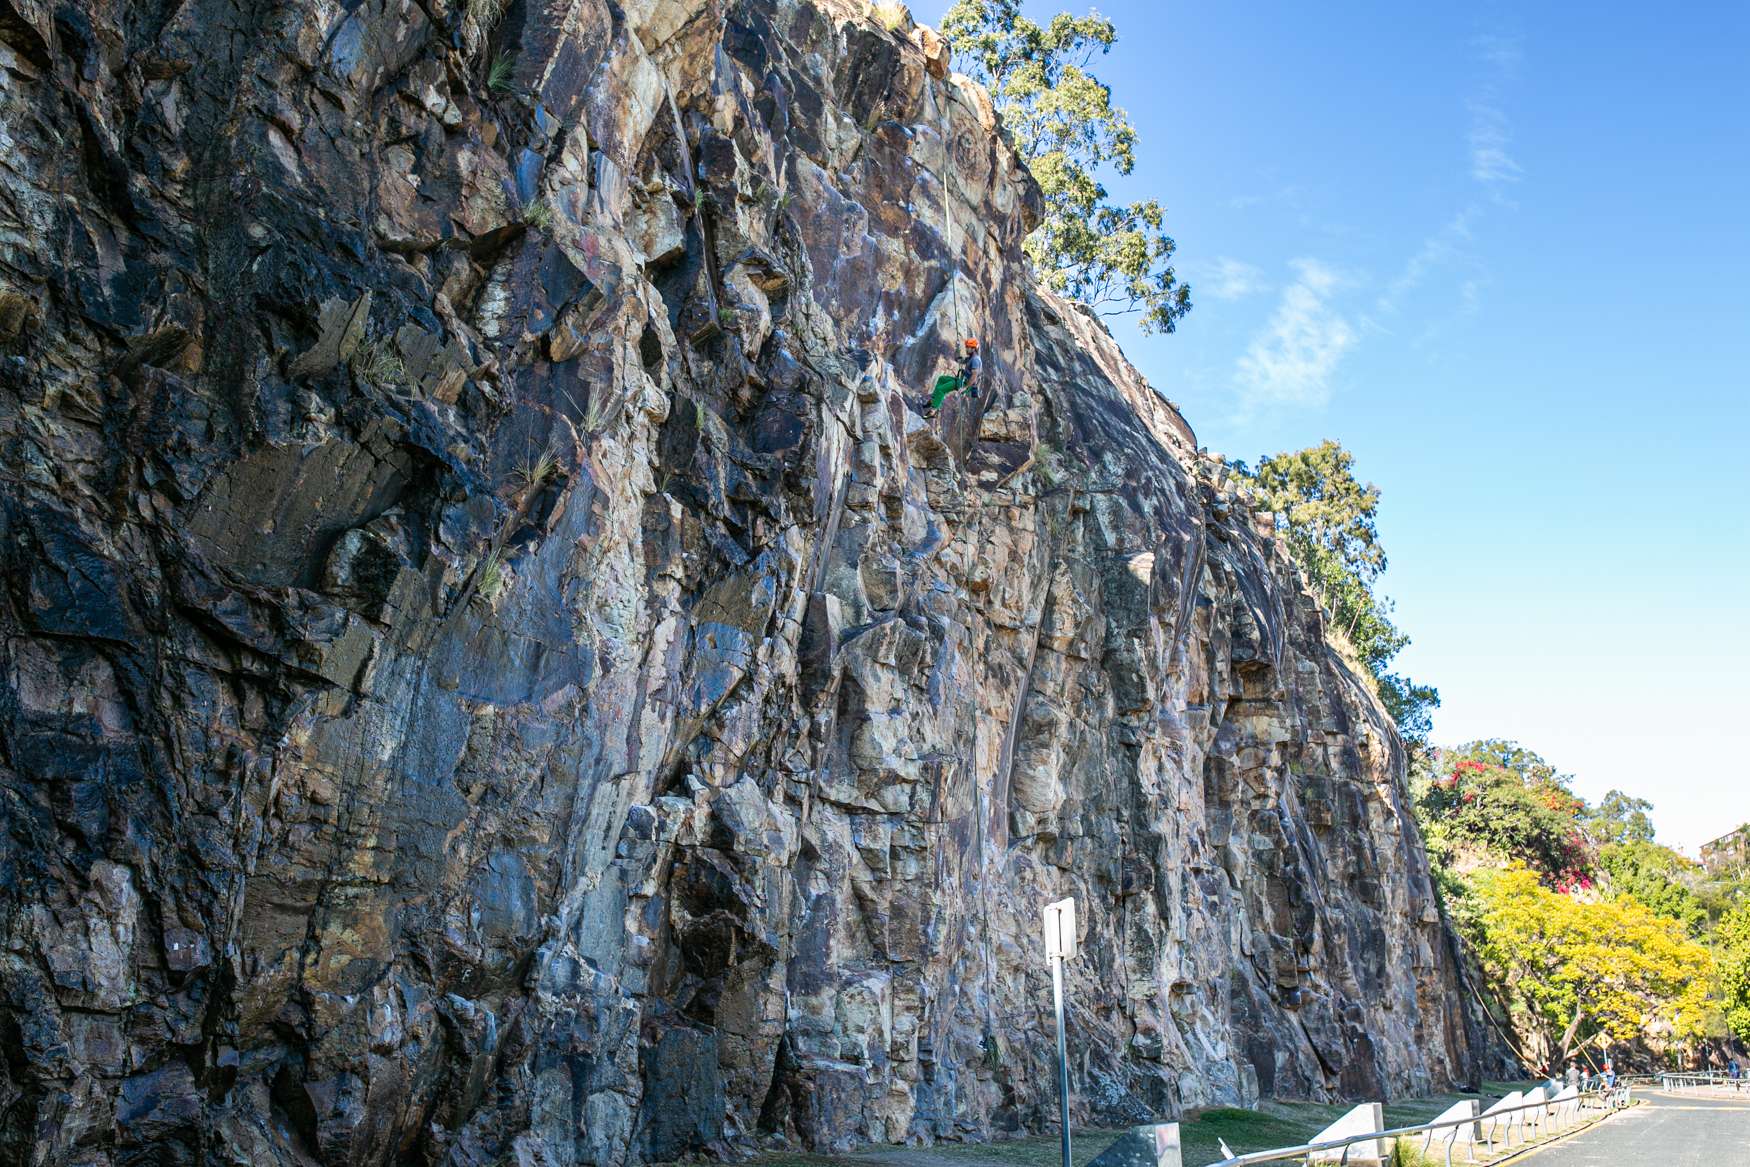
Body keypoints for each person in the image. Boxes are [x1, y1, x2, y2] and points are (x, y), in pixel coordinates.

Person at [925, 338, 982, 415]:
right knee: (942, 379)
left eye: (968, 347)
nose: (966, 349)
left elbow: (974, 376)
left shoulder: (975, 360)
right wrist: (957, 348)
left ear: (973, 349)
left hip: (965, 384)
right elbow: (957, 360)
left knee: (941, 389)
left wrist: (964, 388)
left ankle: (933, 410)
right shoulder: (971, 358)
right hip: (962, 381)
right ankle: (933, 401)